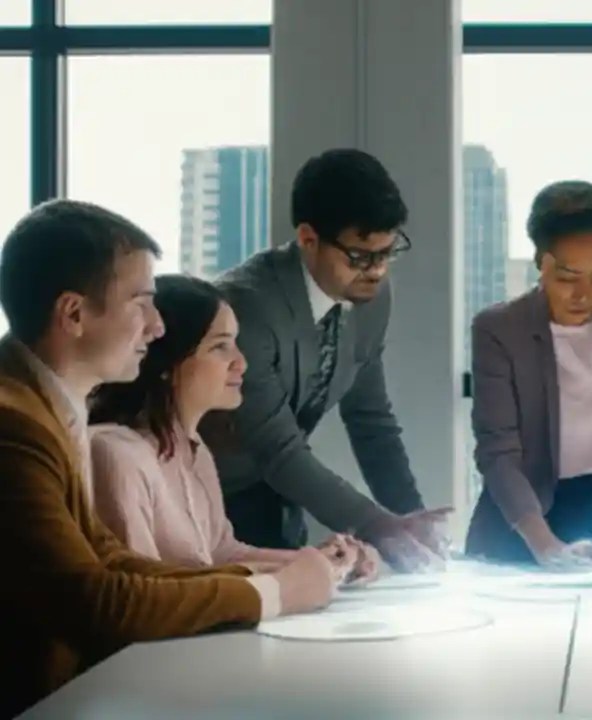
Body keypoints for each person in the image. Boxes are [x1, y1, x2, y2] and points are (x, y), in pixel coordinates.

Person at [0, 200, 341, 717]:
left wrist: (270, 582)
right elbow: (97, 601)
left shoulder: (48, 409)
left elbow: (109, 558)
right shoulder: (16, 427)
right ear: (73, 314)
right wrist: (273, 594)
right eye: (141, 304)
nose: (157, 328)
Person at [202, 148, 450, 571]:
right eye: (360, 256)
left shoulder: (369, 295)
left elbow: (371, 419)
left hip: (278, 494)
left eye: (388, 253)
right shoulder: (249, 305)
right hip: (212, 495)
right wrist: (377, 524)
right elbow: (277, 448)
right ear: (308, 238)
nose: (377, 271)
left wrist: (410, 520)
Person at [88, 274, 380, 582]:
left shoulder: (195, 451)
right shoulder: (116, 455)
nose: (241, 362)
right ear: (167, 363)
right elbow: (142, 589)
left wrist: (319, 561)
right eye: (220, 347)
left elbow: (224, 554)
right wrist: (302, 573)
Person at [465, 180, 592, 567]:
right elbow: (497, 451)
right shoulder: (498, 329)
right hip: (532, 507)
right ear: (541, 261)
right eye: (568, 277)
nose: (584, 295)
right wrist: (543, 543)